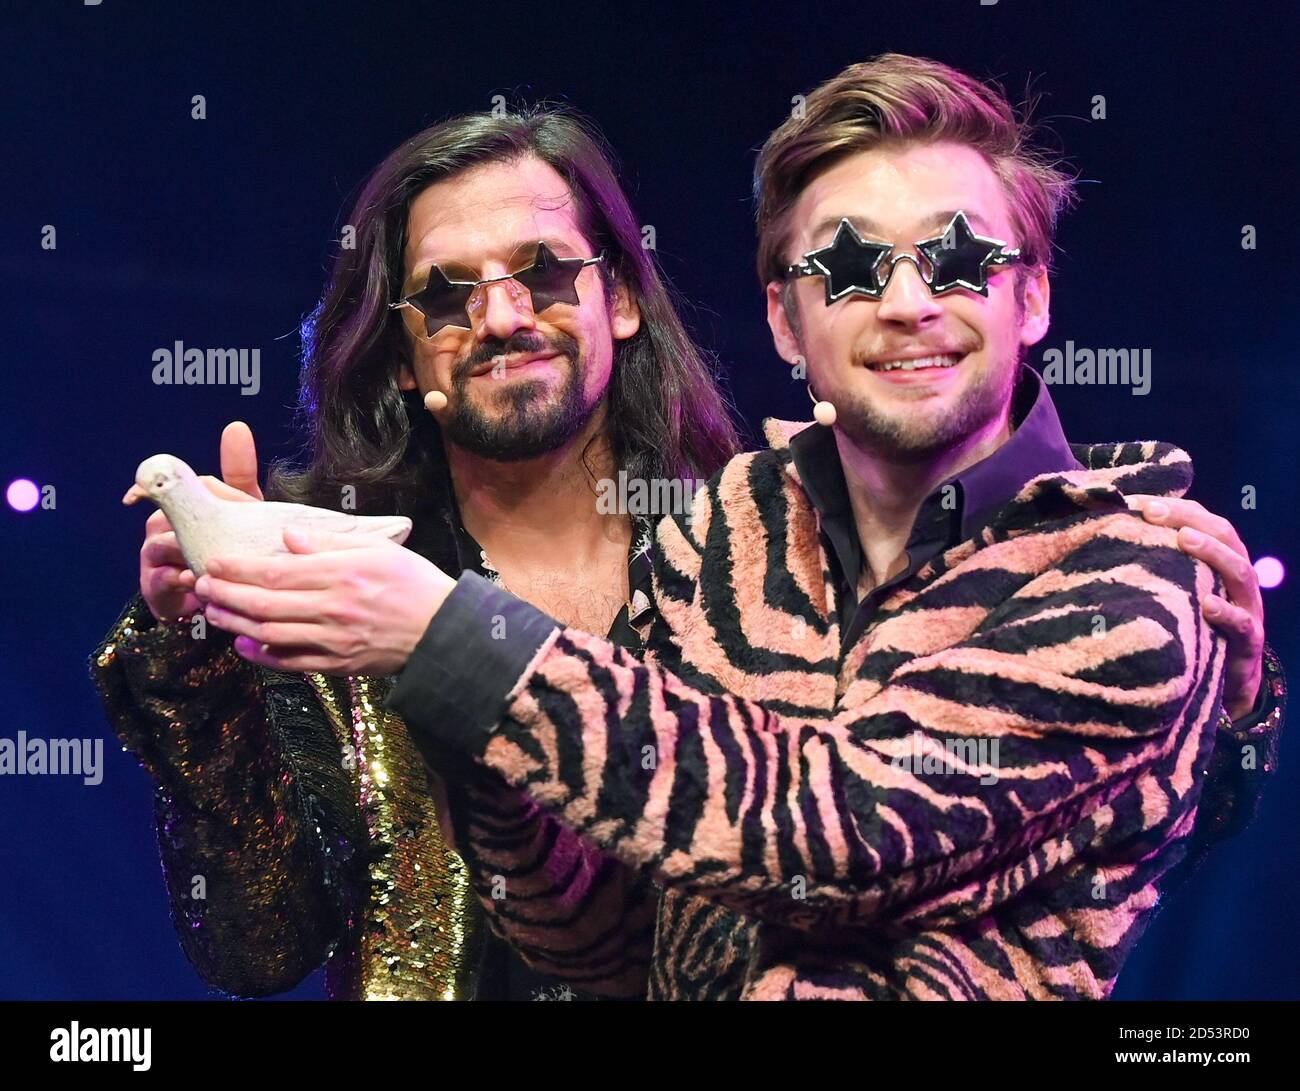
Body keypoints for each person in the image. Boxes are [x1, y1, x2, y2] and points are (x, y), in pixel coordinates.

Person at [186, 55, 1285, 1000]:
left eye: (957, 258)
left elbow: (842, 828)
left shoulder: (1129, 567)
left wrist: (457, 647)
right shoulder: (721, 537)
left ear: (1032, 297)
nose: (907, 300)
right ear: (784, 317)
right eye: (850, 267)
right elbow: (612, 941)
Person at [90, 107, 739, 1000]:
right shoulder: (330, 576)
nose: (502, 317)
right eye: (444, 295)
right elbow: (257, 947)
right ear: (402, 358)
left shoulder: (752, 562)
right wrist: (207, 657)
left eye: (542, 272)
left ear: (619, 298)